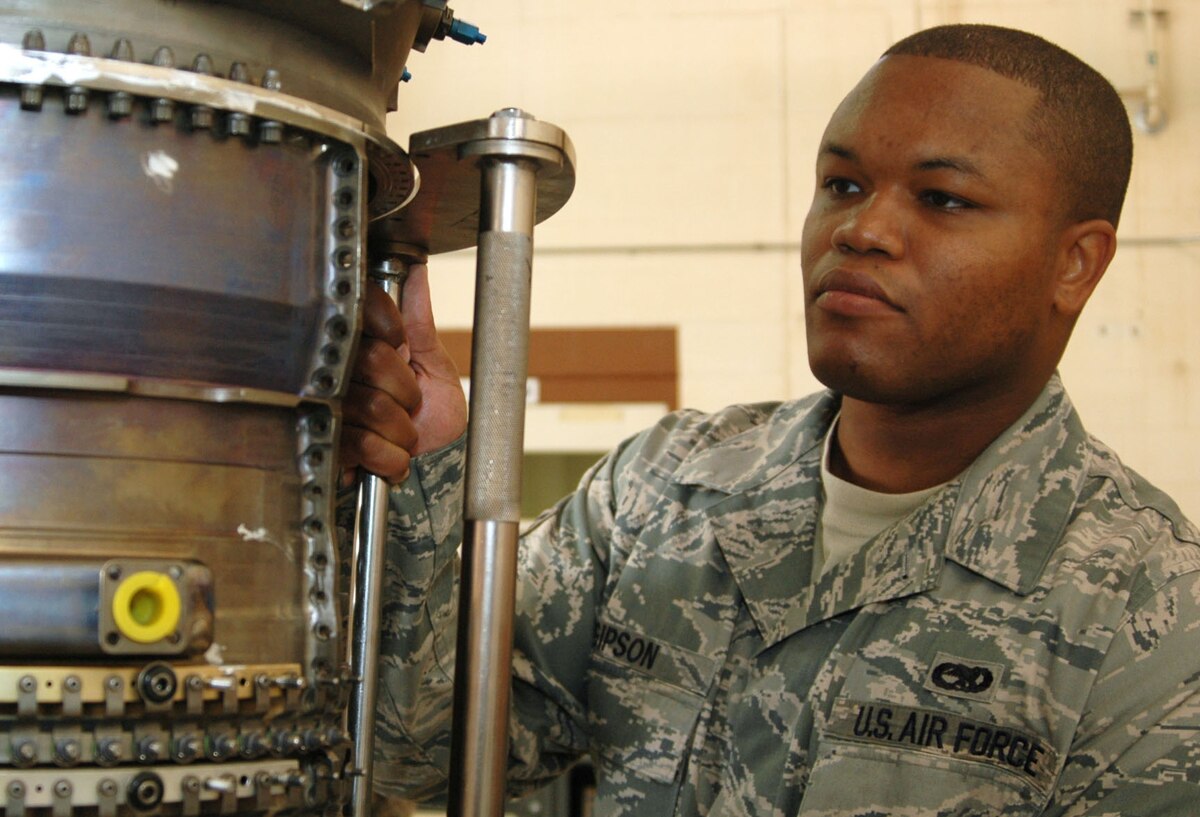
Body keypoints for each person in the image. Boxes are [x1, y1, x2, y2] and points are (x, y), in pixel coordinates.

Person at [338, 23, 1200, 817]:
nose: (861, 229)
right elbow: (415, 753)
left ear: (1075, 263)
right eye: (843, 184)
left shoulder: (1151, 618)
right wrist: (425, 467)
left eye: (941, 199)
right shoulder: (663, 496)